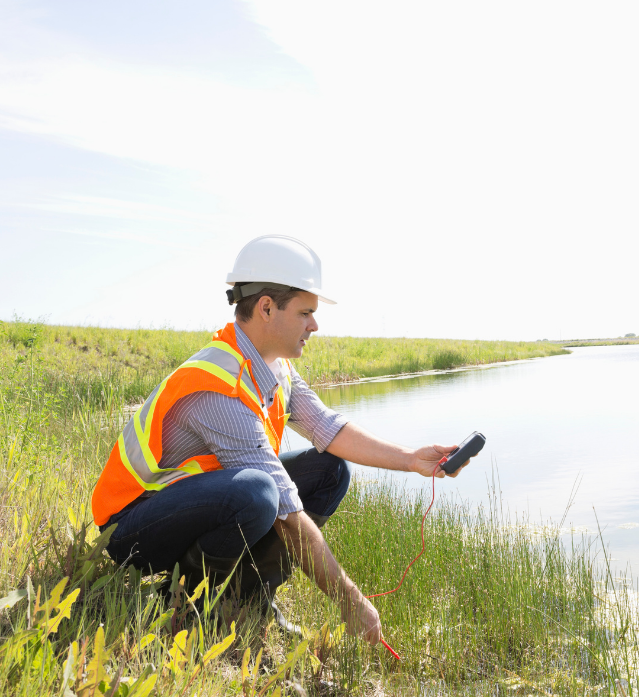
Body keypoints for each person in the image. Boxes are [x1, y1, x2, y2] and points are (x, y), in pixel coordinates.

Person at [90, 235, 468, 645]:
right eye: (306, 312)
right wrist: (350, 600)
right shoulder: (219, 385)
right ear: (267, 308)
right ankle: (186, 604)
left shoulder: (276, 364)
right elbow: (286, 511)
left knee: (329, 470)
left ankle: (251, 599)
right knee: (258, 493)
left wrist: (411, 459)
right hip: (133, 530)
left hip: (193, 501)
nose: (315, 325)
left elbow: (328, 429)